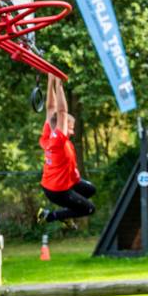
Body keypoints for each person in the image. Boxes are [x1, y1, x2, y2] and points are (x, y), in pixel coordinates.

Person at [36, 75, 96, 225]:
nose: (73, 132)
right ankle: (50, 216)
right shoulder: (58, 141)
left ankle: (66, 213)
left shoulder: (49, 134)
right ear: (61, 127)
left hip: (57, 183)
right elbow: (62, 111)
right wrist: (59, 84)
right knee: (89, 209)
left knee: (90, 190)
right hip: (58, 191)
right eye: (71, 128)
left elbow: (51, 108)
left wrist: (50, 79)